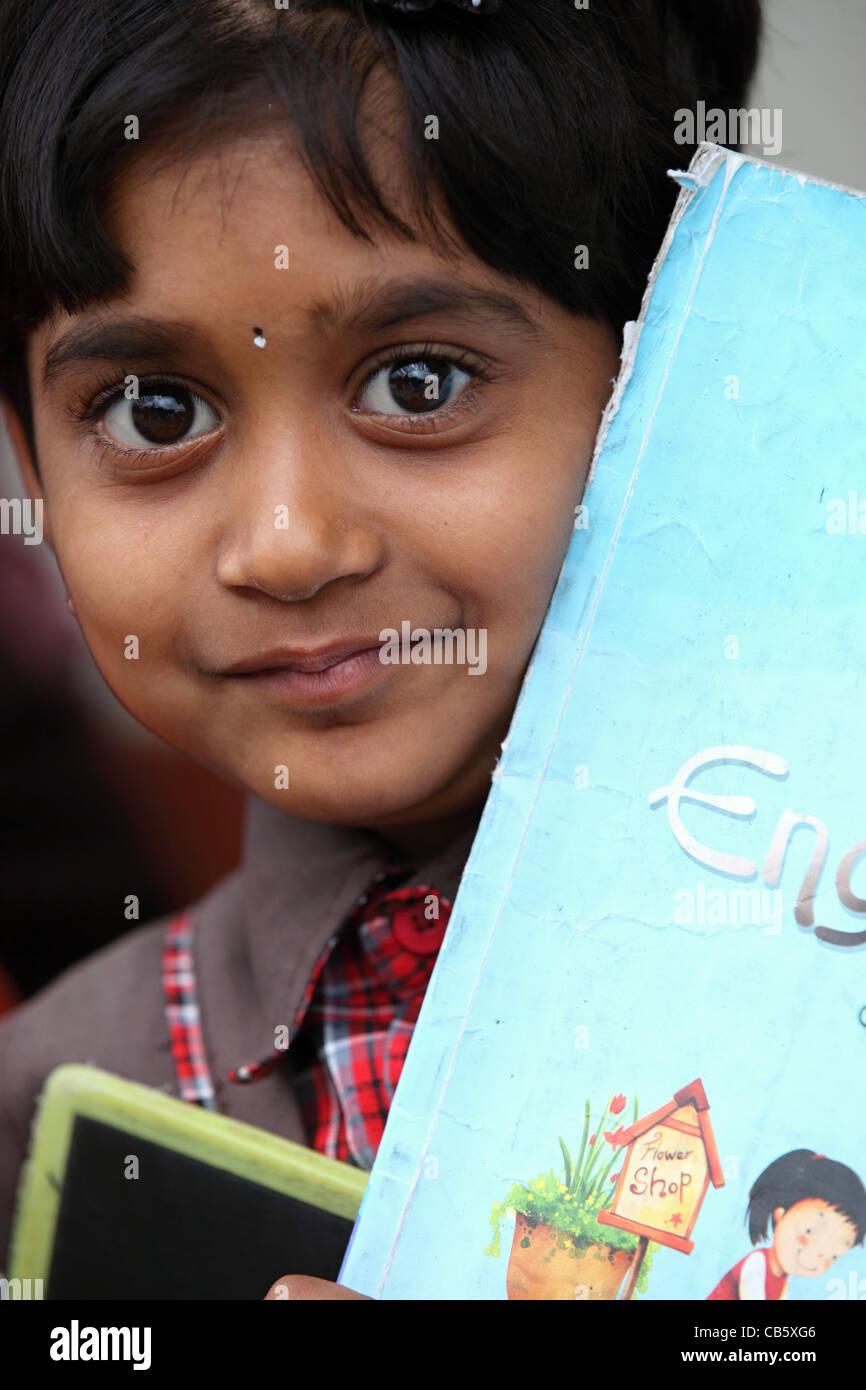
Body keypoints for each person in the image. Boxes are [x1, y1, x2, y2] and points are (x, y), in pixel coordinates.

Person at [0, 0, 761, 1297]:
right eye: (154, 411)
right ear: (31, 463)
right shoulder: (47, 1122)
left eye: (419, 382)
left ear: (667, 367)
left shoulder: (818, 986)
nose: (288, 545)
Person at [707, 1150, 866, 1300]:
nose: (815, 1256)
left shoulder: (782, 1279)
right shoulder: (757, 1263)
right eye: (808, 1232)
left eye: (833, 1256)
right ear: (781, 1213)